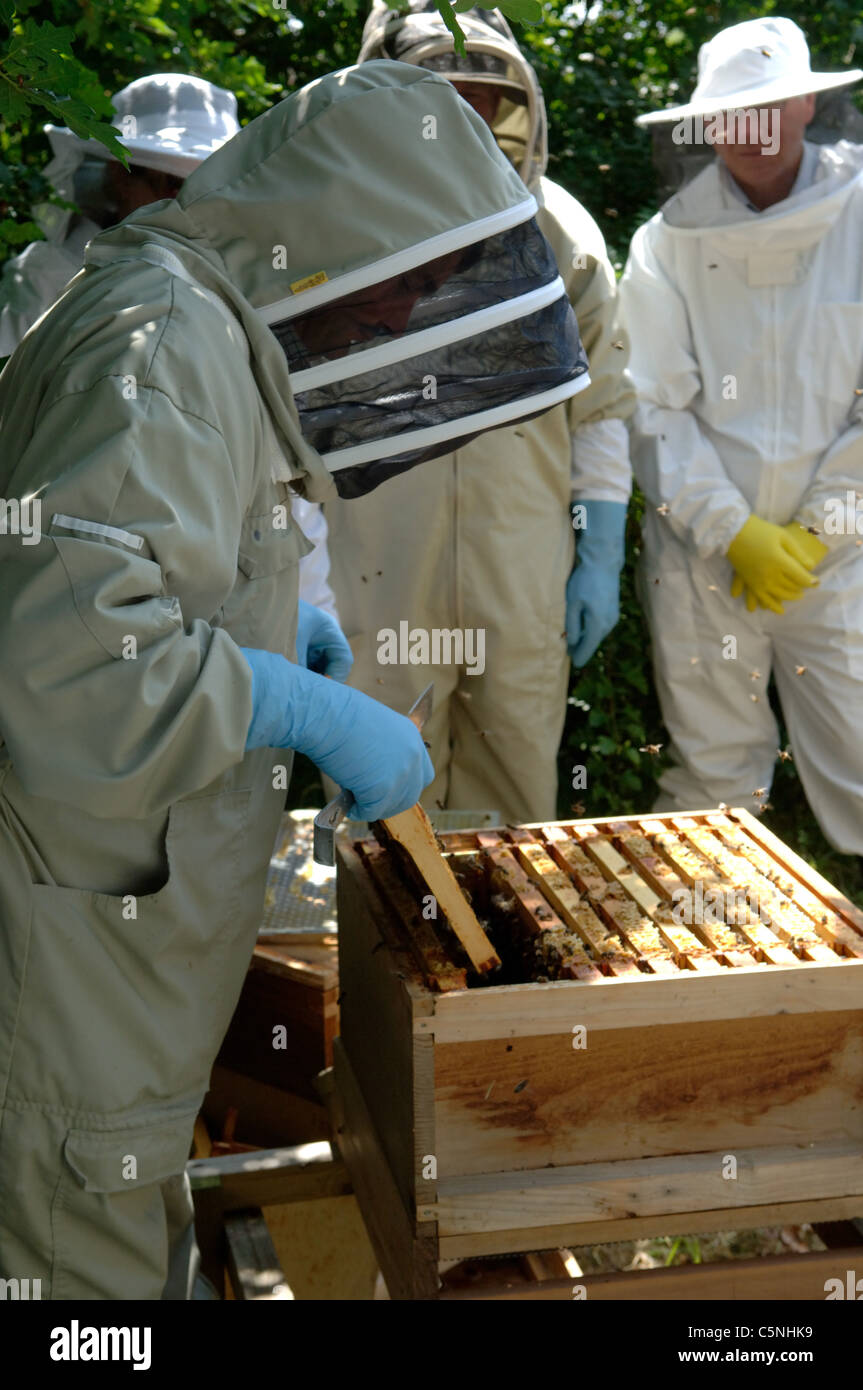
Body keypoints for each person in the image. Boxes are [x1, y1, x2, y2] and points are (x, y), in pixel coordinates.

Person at [0, 60, 588, 1299]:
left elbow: (149, 583)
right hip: (66, 951)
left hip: (112, 948)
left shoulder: (203, 330)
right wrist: (296, 703)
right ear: (323, 233)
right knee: (78, 1283)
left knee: (121, 1222)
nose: (395, 321)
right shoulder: (164, 348)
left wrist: (280, 642)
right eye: (404, 282)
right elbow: (64, 665)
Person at [321, 3, 634, 824]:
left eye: (482, 95)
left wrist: (598, 548)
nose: (467, 115)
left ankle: (509, 956)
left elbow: (601, 407)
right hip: (374, 566)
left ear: (510, 105)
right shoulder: (324, 231)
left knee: (516, 798)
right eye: (442, 93)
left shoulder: (560, 231)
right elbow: (283, 413)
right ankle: (385, 954)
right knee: (381, 804)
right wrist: (304, 569)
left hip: (521, 563)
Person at [619, 16, 863, 854]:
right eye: (733, 112)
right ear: (706, 124)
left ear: (805, 103)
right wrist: (734, 532)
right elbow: (650, 405)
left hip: (846, 557)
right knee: (711, 784)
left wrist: (820, 526)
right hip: (703, 558)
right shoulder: (662, 245)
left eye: (769, 105)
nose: (751, 130)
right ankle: (712, 956)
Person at [0, 71, 339, 617]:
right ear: (117, 176)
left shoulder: (247, 291)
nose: (180, 202)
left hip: (225, 593)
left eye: (196, 184)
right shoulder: (43, 282)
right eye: (163, 181)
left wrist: (308, 613)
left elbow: (276, 478)